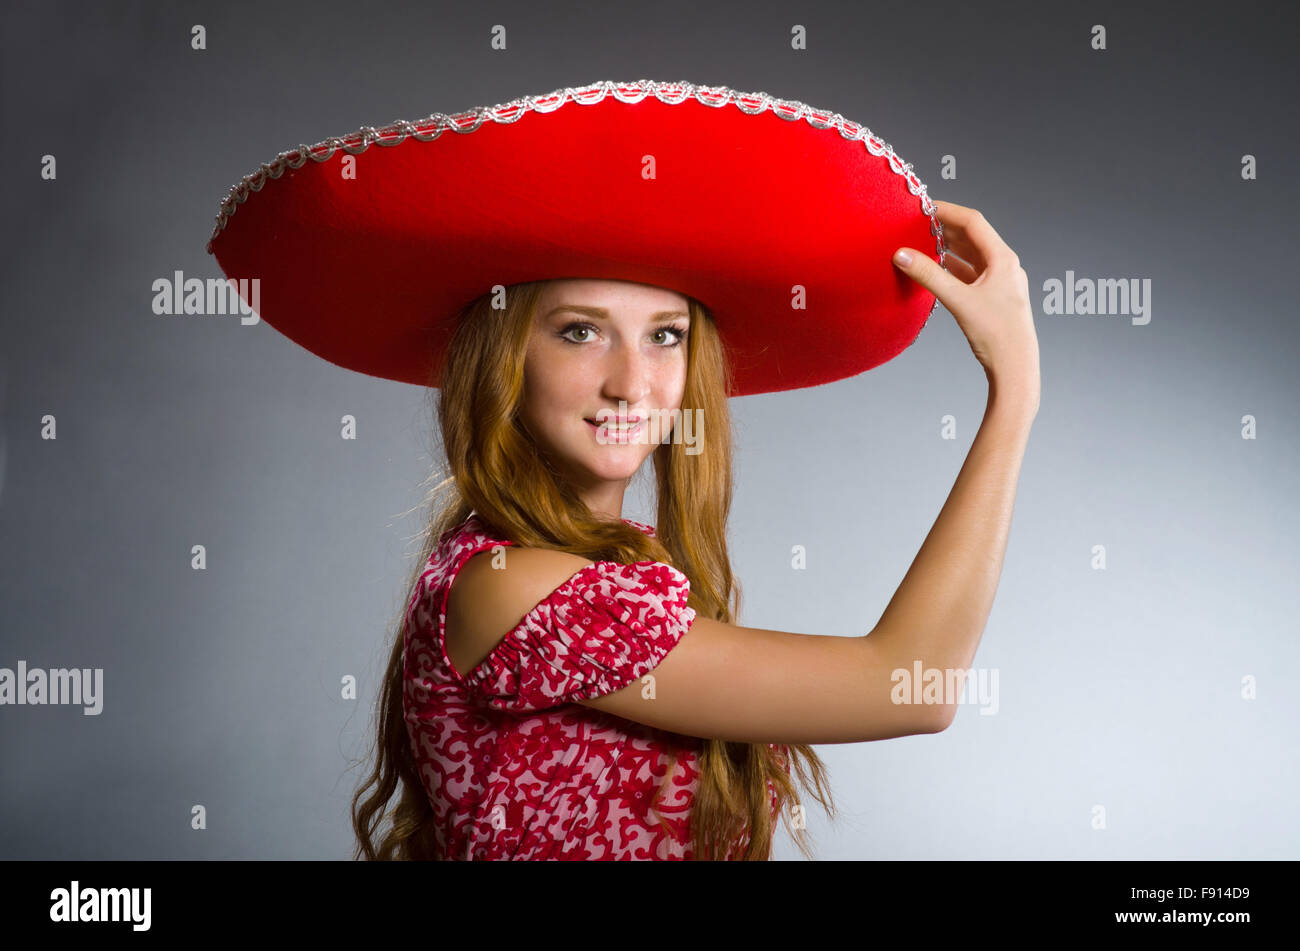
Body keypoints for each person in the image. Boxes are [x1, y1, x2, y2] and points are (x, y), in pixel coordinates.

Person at [205, 80, 1040, 860]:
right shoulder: (510, 585)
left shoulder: (615, 567)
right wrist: (1015, 394)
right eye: (579, 330)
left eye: (665, 335)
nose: (631, 382)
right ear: (505, 359)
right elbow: (908, 686)